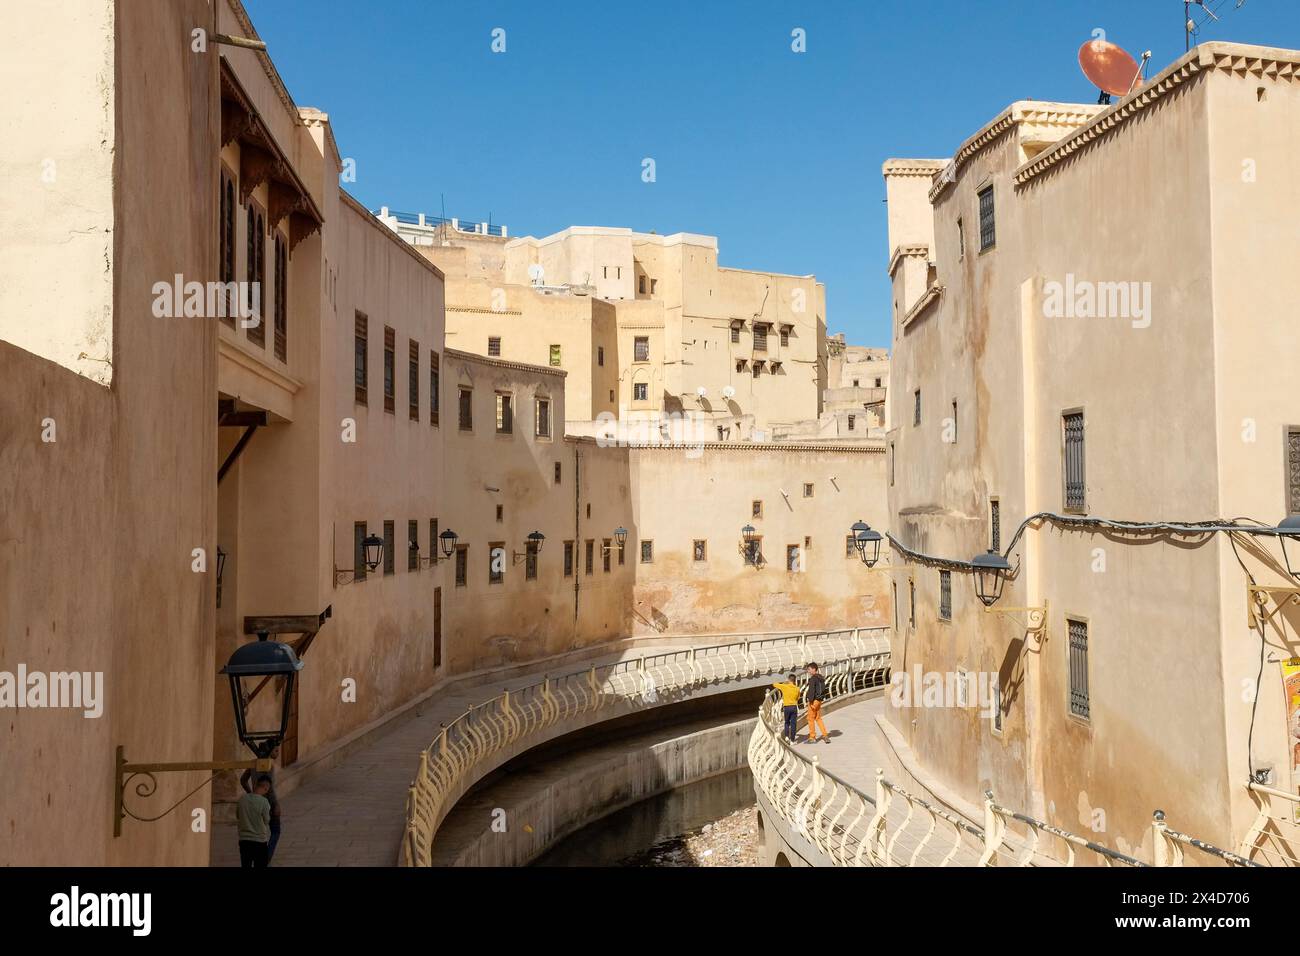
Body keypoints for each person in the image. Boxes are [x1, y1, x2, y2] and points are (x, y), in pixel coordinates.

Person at [241, 749, 281, 861]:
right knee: (276, 831)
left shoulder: (253, 764)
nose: (277, 754)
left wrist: (251, 794)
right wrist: (276, 804)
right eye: (276, 751)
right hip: (268, 803)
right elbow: (270, 788)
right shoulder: (268, 765)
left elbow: (243, 780)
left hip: (255, 801)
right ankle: (266, 857)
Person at [236, 775, 273, 868]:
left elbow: (238, 816)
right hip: (259, 841)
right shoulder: (264, 802)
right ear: (266, 788)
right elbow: (267, 820)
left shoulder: (242, 799)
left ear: (255, 785)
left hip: (244, 840)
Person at [772, 673, 801, 743]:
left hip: (787, 707)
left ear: (788, 680)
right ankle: (792, 740)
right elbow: (798, 698)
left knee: (787, 722)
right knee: (793, 723)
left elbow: (774, 684)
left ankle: (786, 736)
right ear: (794, 680)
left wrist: (785, 682)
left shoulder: (784, 686)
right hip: (794, 707)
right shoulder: (797, 688)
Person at [805, 662, 829, 744]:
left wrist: (810, 701)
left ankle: (812, 737)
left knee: (810, 719)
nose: (808, 671)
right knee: (818, 718)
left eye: (809, 669)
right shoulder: (821, 678)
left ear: (814, 669)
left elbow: (811, 691)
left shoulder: (813, 679)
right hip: (819, 701)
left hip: (813, 701)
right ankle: (825, 735)